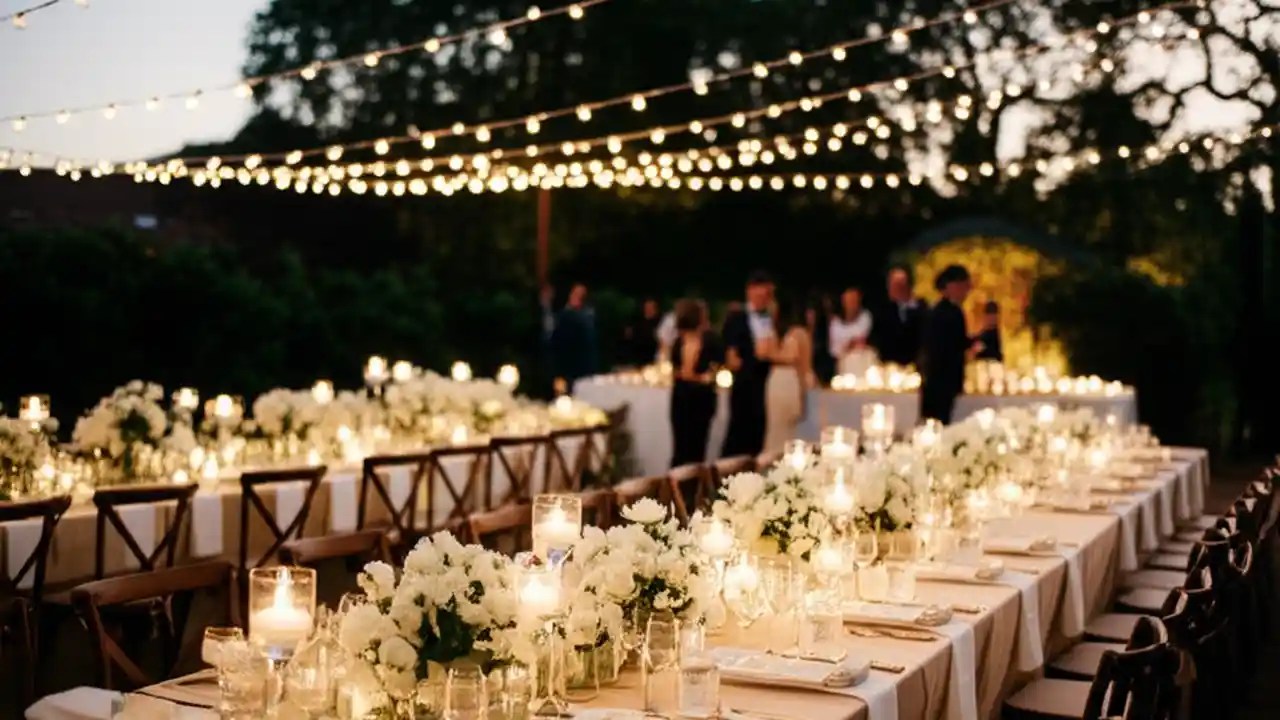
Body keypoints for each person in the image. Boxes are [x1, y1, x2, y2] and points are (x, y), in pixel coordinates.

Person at [721, 271, 775, 458]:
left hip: (768, 386)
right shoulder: (736, 318)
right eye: (759, 295)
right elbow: (731, 357)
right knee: (737, 435)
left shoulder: (775, 320)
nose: (762, 299)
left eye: (766, 295)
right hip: (744, 385)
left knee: (760, 436)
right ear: (749, 293)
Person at [668, 299, 723, 467]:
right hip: (689, 398)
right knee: (686, 448)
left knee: (691, 448)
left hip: (693, 398)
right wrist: (701, 377)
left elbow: (716, 370)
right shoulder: (684, 341)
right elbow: (681, 371)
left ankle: (688, 486)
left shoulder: (706, 341)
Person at [920, 265, 976, 424]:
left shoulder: (941, 310)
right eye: (964, 286)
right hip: (942, 381)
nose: (966, 292)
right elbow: (949, 346)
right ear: (953, 286)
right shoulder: (947, 312)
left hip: (938, 381)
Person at [761, 295, 814, 453]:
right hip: (780, 382)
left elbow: (799, 362)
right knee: (777, 427)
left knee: (783, 429)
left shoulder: (797, 333)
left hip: (787, 382)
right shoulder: (779, 333)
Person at [549, 283, 598, 394]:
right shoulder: (570, 316)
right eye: (575, 293)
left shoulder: (581, 317)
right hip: (567, 369)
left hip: (579, 370)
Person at [872, 266, 926, 366]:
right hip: (891, 366)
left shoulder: (921, 308)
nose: (892, 289)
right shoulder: (884, 310)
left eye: (898, 285)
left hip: (916, 364)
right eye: (891, 285)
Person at [829, 287, 876, 377]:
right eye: (850, 300)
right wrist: (848, 345)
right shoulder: (835, 324)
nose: (853, 304)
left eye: (855, 300)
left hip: (865, 365)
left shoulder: (866, 318)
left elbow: (864, 340)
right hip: (844, 367)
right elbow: (834, 351)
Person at [623, 298, 661, 366]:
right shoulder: (637, 322)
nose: (649, 309)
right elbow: (629, 336)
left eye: (651, 307)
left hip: (653, 354)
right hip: (638, 355)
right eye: (647, 307)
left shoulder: (660, 322)